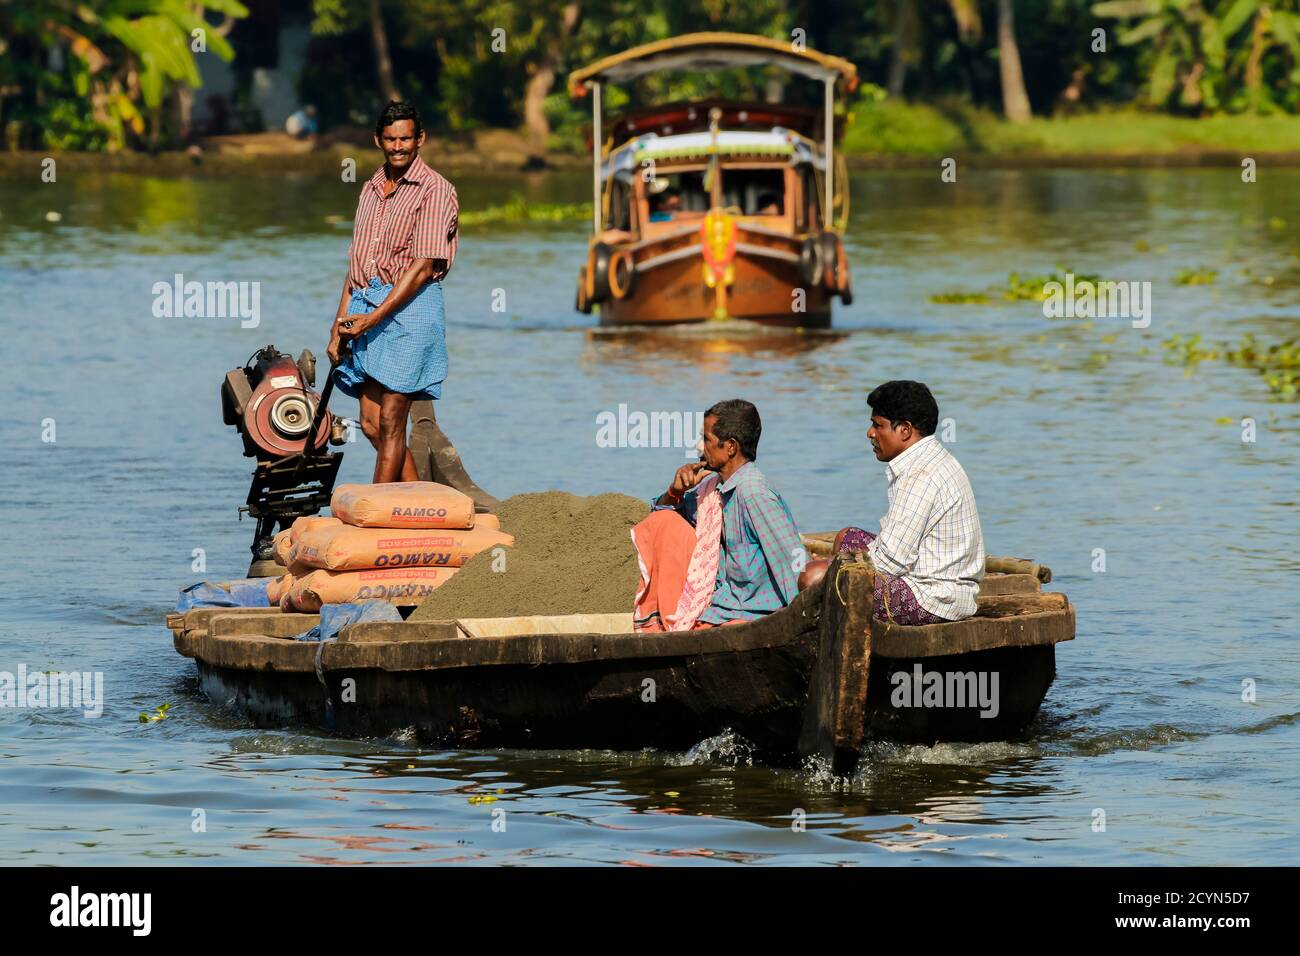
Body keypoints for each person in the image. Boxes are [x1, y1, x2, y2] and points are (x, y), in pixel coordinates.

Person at [328, 101, 458, 483]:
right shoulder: (369, 188)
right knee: (370, 422)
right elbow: (357, 267)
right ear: (378, 140)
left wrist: (374, 316)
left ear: (420, 139)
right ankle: (418, 499)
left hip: (411, 310)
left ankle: (376, 515)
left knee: (391, 421)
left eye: (405, 139)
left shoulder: (435, 190)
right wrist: (339, 325)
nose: (398, 146)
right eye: (390, 139)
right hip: (368, 305)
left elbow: (422, 268)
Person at [798, 381, 984, 624]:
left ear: (905, 430)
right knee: (847, 538)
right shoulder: (928, 457)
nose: (870, 433)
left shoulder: (921, 475)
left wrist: (830, 568)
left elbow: (889, 562)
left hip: (935, 599)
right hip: (934, 581)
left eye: (878, 425)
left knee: (813, 577)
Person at [632, 400, 806, 631]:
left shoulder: (753, 493)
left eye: (706, 439)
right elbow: (662, 517)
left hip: (750, 613)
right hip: (720, 606)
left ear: (731, 447)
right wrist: (675, 492)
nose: (698, 447)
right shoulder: (713, 490)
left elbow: (790, 558)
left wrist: (800, 620)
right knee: (663, 522)